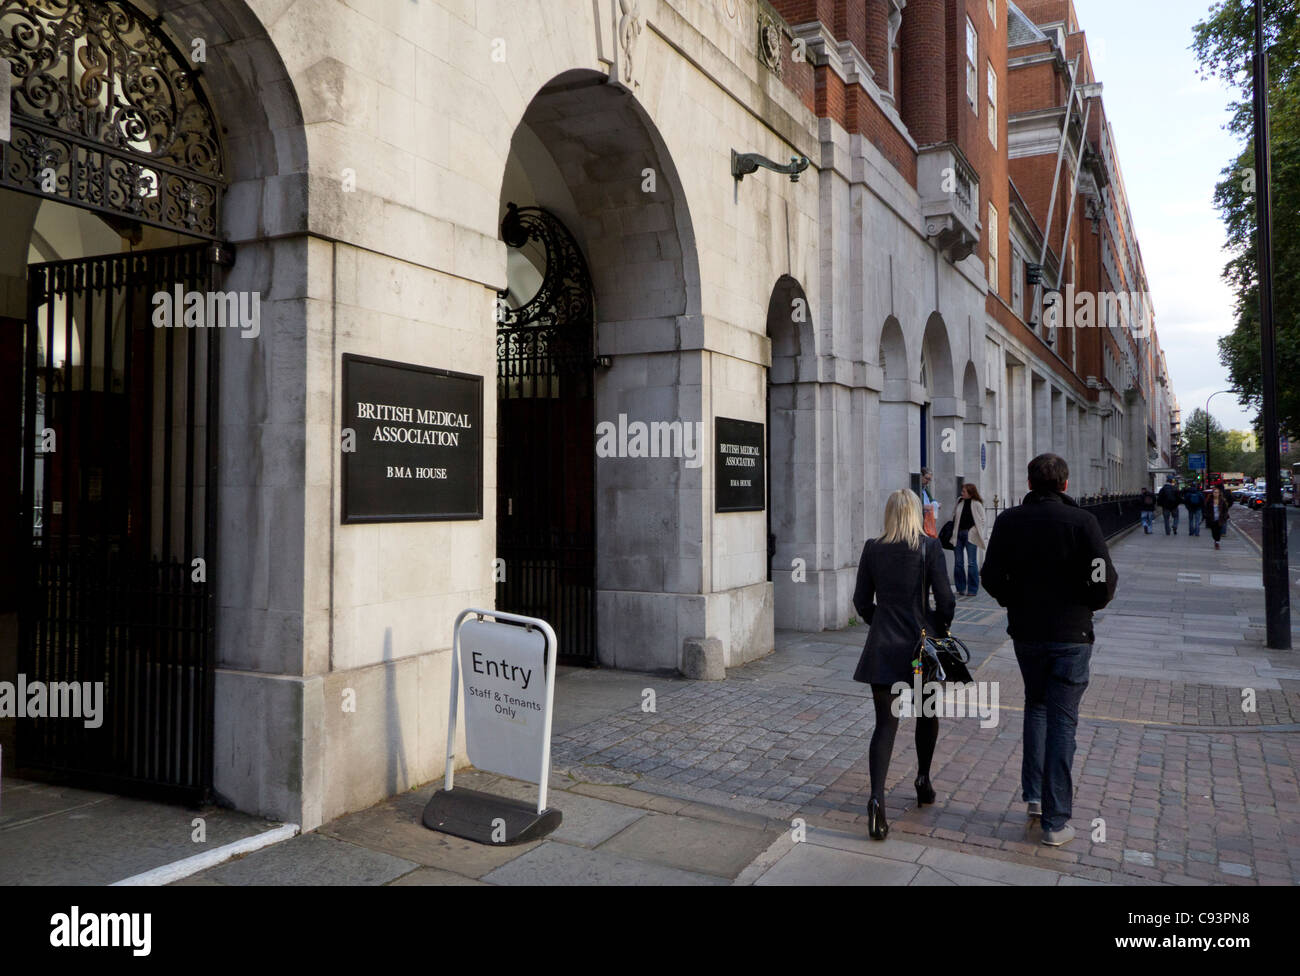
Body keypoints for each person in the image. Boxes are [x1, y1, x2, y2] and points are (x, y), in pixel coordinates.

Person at [980, 454, 1118, 848]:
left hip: (1028, 632)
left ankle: (1036, 798)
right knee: (1062, 720)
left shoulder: (1009, 521)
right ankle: (1056, 821)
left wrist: (1013, 599)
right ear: (1065, 484)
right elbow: (1101, 577)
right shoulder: (1082, 522)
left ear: (1029, 483)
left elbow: (990, 575)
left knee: (1036, 706)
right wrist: (1088, 603)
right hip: (1071, 632)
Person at [852, 489, 956, 841]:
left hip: (883, 646)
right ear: (915, 513)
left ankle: (877, 801)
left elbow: (861, 601)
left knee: (885, 725)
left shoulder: (873, 547)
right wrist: (941, 627)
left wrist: (879, 624)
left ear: (889, 514)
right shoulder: (929, 547)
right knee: (926, 714)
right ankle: (923, 780)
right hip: (920, 646)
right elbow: (946, 599)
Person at [953, 483, 988, 597]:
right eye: (962, 491)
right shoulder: (959, 502)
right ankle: (961, 588)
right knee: (958, 563)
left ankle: (972, 589)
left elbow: (983, 520)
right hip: (958, 534)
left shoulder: (977, 504)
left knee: (972, 563)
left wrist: (972, 531)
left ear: (970, 493)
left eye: (964, 492)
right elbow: (954, 515)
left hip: (970, 535)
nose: (962, 493)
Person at [1203, 485, 1233, 550]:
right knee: (1213, 532)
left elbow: (1225, 509)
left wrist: (1224, 516)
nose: (1215, 494)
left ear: (1219, 493)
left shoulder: (1222, 500)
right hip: (1212, 518)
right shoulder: (1209, 500)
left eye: (1217, 492)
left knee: (1218, 531)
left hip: (1220, 519)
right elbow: (1206, 509)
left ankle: (1217, 542)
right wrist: (1207, 516)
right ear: (1212, 493)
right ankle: (1215, 540)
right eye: (1214, 492)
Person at [919, 467, 940, 538]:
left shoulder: (925, 488)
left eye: (929, 479)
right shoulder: (917, 488)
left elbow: (931, 500)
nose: (927, 481)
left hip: (927, 519)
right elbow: (911, 504)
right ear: (921, 476)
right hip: (919, 519)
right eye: (926, 478)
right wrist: (923, 507)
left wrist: (937, 504)